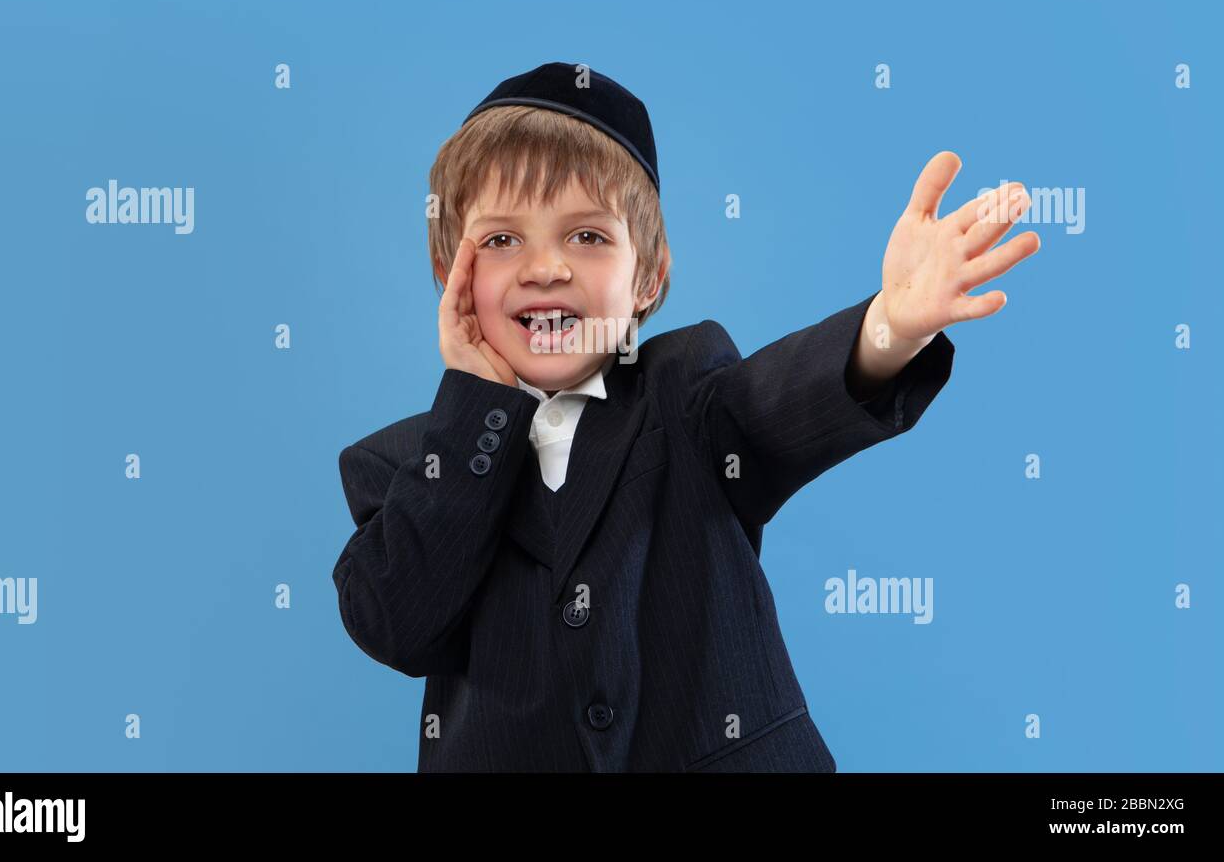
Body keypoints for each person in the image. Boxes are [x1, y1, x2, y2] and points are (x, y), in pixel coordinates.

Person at [332, 62, 1039, 771]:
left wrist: (891, 324)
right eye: (501, 240)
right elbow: (397, 626)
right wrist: (476, 412)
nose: (544, 268)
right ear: (448, 271)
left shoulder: (689, 391)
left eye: (587, 237)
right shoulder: (401, 467)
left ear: (649, 277)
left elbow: (785, 400)